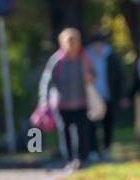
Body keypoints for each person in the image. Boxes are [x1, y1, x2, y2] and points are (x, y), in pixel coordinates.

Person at [38, 28, 97, 169]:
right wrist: (44, 100)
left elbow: (94, 74)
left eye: (74, 41)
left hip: (81, 102)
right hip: (62, 103)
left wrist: (90, 77)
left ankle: (83, 158)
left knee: (83, 132)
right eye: (68, 41)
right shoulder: (57, 60)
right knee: (65, 133)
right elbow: (47, 80)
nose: (71, 44)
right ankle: (70, 160)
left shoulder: (84, 58)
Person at [84, 32, 124, 156]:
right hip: (93, 97)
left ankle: (106, 148)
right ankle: (93, 150)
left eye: (100, 44)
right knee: (92, 125)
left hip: (108, 95)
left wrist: (121, 95)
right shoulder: (86, 57)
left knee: (108, 124)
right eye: (95, 45)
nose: (97, 47)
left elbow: (119, 77)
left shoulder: (110, 56)